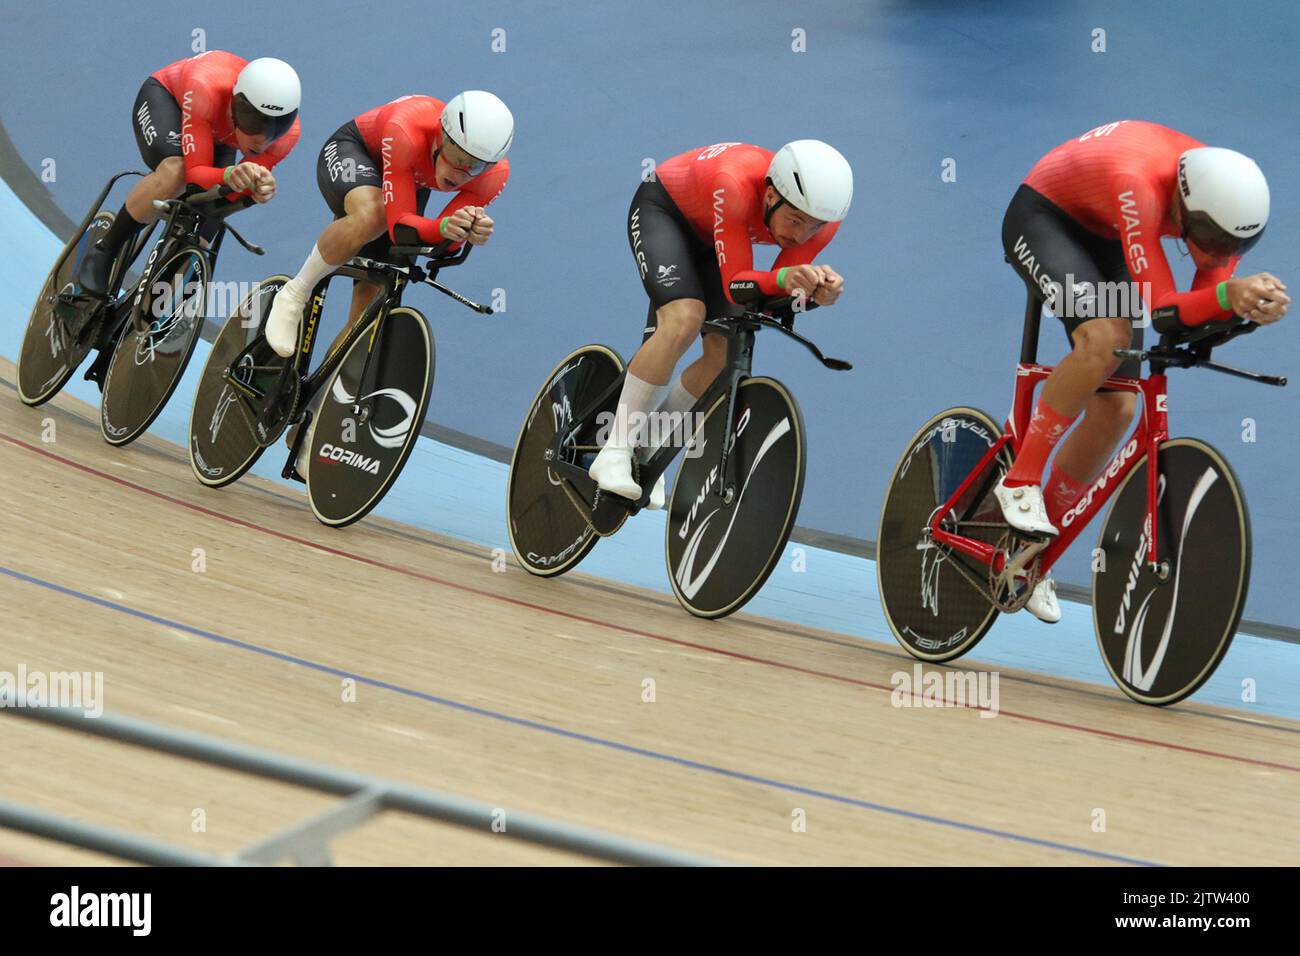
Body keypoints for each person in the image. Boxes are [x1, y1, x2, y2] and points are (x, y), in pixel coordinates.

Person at [998, 120, 1289, 623]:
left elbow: (1202, 307)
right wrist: (1226, 296)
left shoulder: (1218, 207)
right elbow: (1164, 310)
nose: (1218, 252)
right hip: (1046, 215)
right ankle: (1019, 479)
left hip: (1112, 232)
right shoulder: (1142, 183)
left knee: (1117, 405)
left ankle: (1028, 551)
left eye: (1231, 245)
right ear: (1186, 206)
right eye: (1211, 239)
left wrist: (1246, 308)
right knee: (1104, 341)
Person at [588, 139, 851, 509]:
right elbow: (737, 283)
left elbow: (767, 303)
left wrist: (813, 297)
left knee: (724, 352)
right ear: (772, 193)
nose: (800, 236)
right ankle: (614, 450)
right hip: (664, 212)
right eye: (794, 220)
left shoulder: (822, 220)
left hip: (718, 237)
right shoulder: (735, 183)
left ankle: (645, 445)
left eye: (813, 228)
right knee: (684, 319)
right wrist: (787, 281)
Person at [262, 91, 513, 360]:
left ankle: (324, 390)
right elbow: (399, 226)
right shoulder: (407, 128)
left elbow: (438, 245)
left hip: (407, 178)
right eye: (456, 155)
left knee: (372, 314)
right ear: (441, 134)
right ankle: (295, 293)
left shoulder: (493, 176)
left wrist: (465, 231)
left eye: (475, 165)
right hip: (357, 152)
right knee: (374, 215)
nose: (460, 172)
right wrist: (443, 227)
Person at [77, 51, 301, 298]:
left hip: (216, 130)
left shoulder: (286, 137)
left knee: (211, 218)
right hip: (170, 100)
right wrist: (229, 175)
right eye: (254, 122)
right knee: (177, 174)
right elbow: (195, 175)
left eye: (276, 126)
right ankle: (105, 249)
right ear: (236, 107)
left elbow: (232, 196)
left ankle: (155, 300)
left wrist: (256, 191)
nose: (262, 139)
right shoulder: (205, 88)